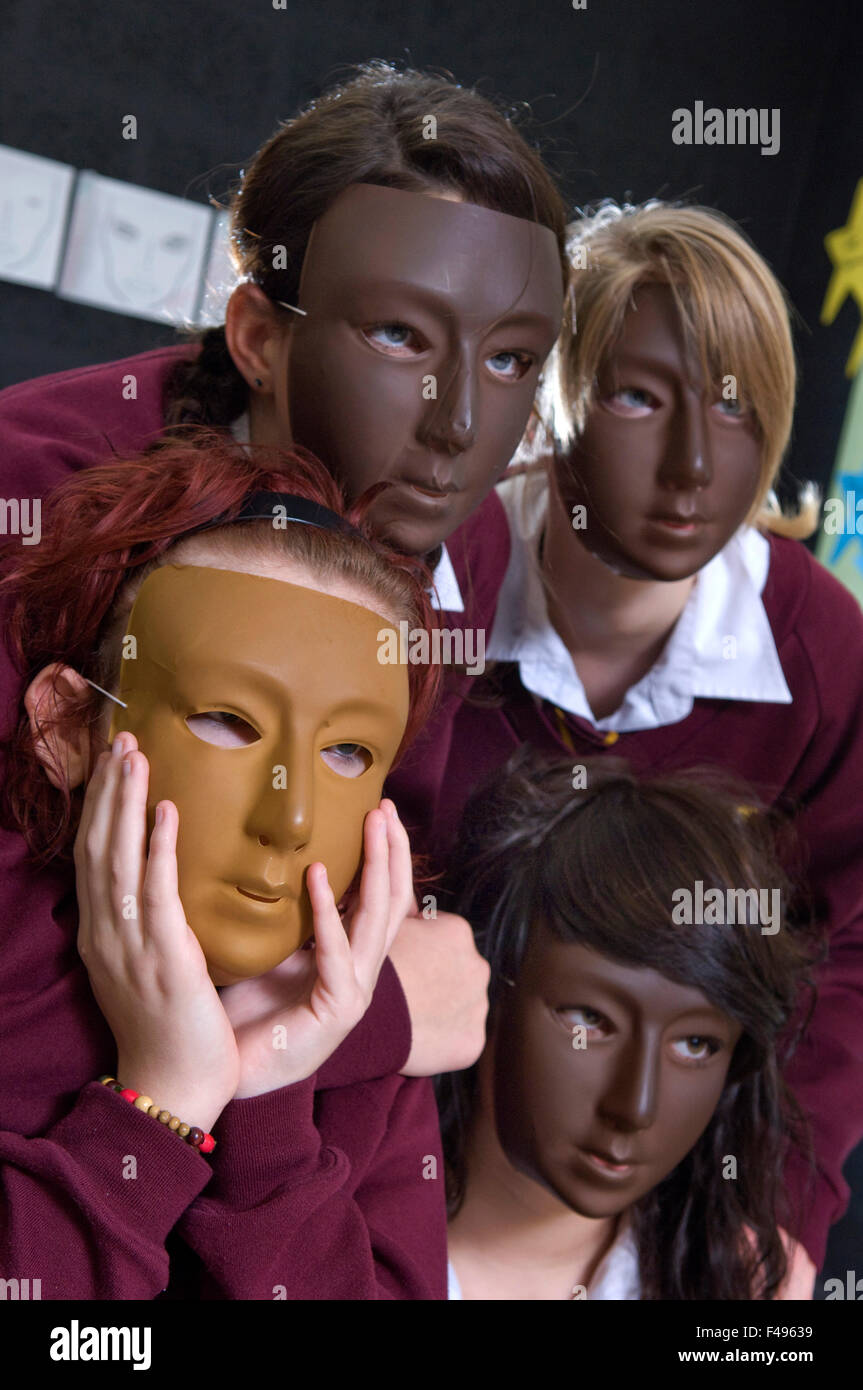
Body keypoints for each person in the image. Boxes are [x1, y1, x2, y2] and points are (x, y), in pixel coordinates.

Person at [425, 200, 863, 1281]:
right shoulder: (431, 589)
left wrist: (778, 1202)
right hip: (395, 1143)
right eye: (632, 397)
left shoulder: (815, 650)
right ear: (546, 407)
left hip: (632, 1195)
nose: (690, 469)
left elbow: (847, 948)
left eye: (734, 410)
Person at [0, 432, 457, 1299]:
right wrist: (158, 1103)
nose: (287, 819)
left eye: (349, 753)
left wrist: (271, 1098)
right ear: (66, 724)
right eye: (226, 722)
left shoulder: (366, 1071)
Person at [438, 753, 820, 1300]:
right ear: (488, 983)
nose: (634, 1107)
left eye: (695, 1044)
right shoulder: (321, 1254)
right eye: (590, 1020)